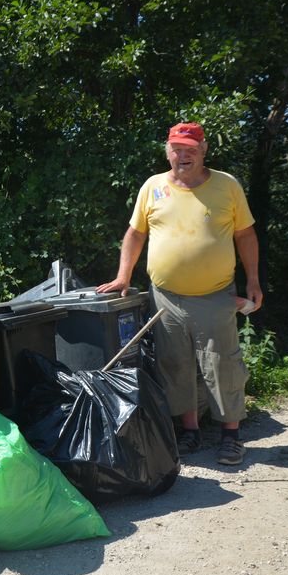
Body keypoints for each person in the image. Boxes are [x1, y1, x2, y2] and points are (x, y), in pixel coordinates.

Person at [96, 122, 263, 465]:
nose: (183, 156)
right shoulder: (153, 186)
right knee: (175, 364)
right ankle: (190, 433)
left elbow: (245, 235)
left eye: (190, 149)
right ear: (167, 151)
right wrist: (122, 276)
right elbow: (135, 233)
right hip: (166, 296)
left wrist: (254, 281)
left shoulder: (226, 185)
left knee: (222, 365)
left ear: (204, 151)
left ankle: (231, 437)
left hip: (215, 295)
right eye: (177, 149)